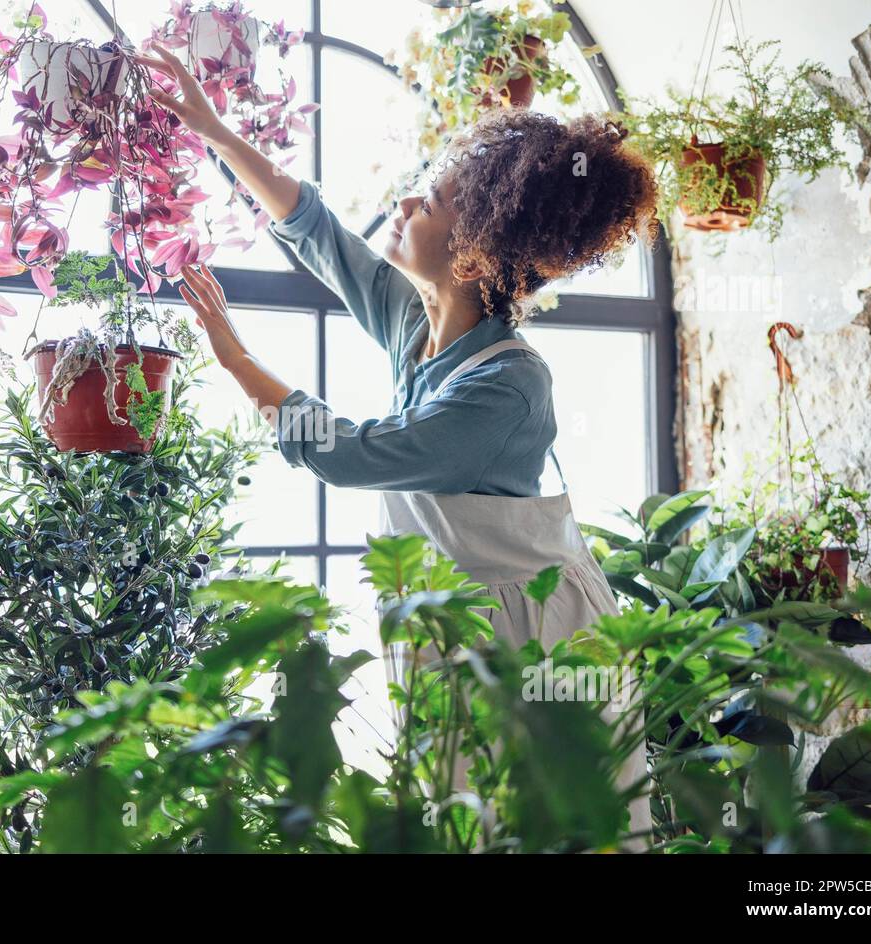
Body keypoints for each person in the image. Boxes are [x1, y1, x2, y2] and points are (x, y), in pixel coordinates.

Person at [138, 43, 660, 845]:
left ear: (476, 244)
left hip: (533, 639)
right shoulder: (419, 323)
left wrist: (237, 359)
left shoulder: (510, 386)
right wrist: (212, 126)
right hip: (459, 625)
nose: (408, 201)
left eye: (434, 200)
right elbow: (313, 229)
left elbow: (354, 454)